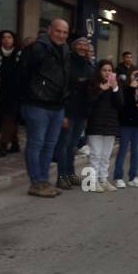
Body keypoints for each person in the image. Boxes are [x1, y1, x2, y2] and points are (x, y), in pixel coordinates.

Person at [19, 18, 72, 198]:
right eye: (58, 31)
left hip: (57, 106)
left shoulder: (65, 49)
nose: (62, 35)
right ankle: (36, 182)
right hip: (37, 104)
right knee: (36, 143)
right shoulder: (36, 48)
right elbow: (23, 74)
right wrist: (29, 96)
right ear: (50, 30)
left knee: (50, 145)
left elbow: (66, 78)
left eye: (65, 32)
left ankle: (43, 180)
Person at [54, 35, 94, 191]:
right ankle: (61, 177)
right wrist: (62, 112)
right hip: (68, 111)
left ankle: (70, 174)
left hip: (82, 112)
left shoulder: (88, 64)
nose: (83, 47)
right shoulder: (66, 62)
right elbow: (61, 87)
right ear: (73, 46)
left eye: (85, 45)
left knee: (72, 146)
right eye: (80, 44)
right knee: (63, 145)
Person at [82, 59, 122, 193]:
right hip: (96, 124)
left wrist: (115, 88)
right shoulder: (93, 83)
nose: (107, 73)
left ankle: (103, 179)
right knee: (95, 155)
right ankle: (91, 182)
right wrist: (100, 89)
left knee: (106, 155)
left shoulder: (115, 86)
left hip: (110, 124)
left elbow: (120, 104)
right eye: (104, 70)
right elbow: (89, 101)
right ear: (99, 71)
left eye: (110, 70)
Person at [113, 64, 138, 189]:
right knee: (122, 150)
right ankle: (118, 177)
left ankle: (133, 177)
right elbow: (124, 105)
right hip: (126, 124)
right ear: (129, 75)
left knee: (136, 151)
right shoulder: (125, 88)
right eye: (134, 74)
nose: (136, 77)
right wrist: (131, 89)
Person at [0, 30, 23, 157]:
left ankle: (3, 145)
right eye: (3, 37)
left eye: (9, 37)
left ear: (14, 39)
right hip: (0, 91)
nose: (6, 40)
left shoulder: (20, 54)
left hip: (16, 93)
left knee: (8, 118)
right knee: (11, 120)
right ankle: (15, 143)